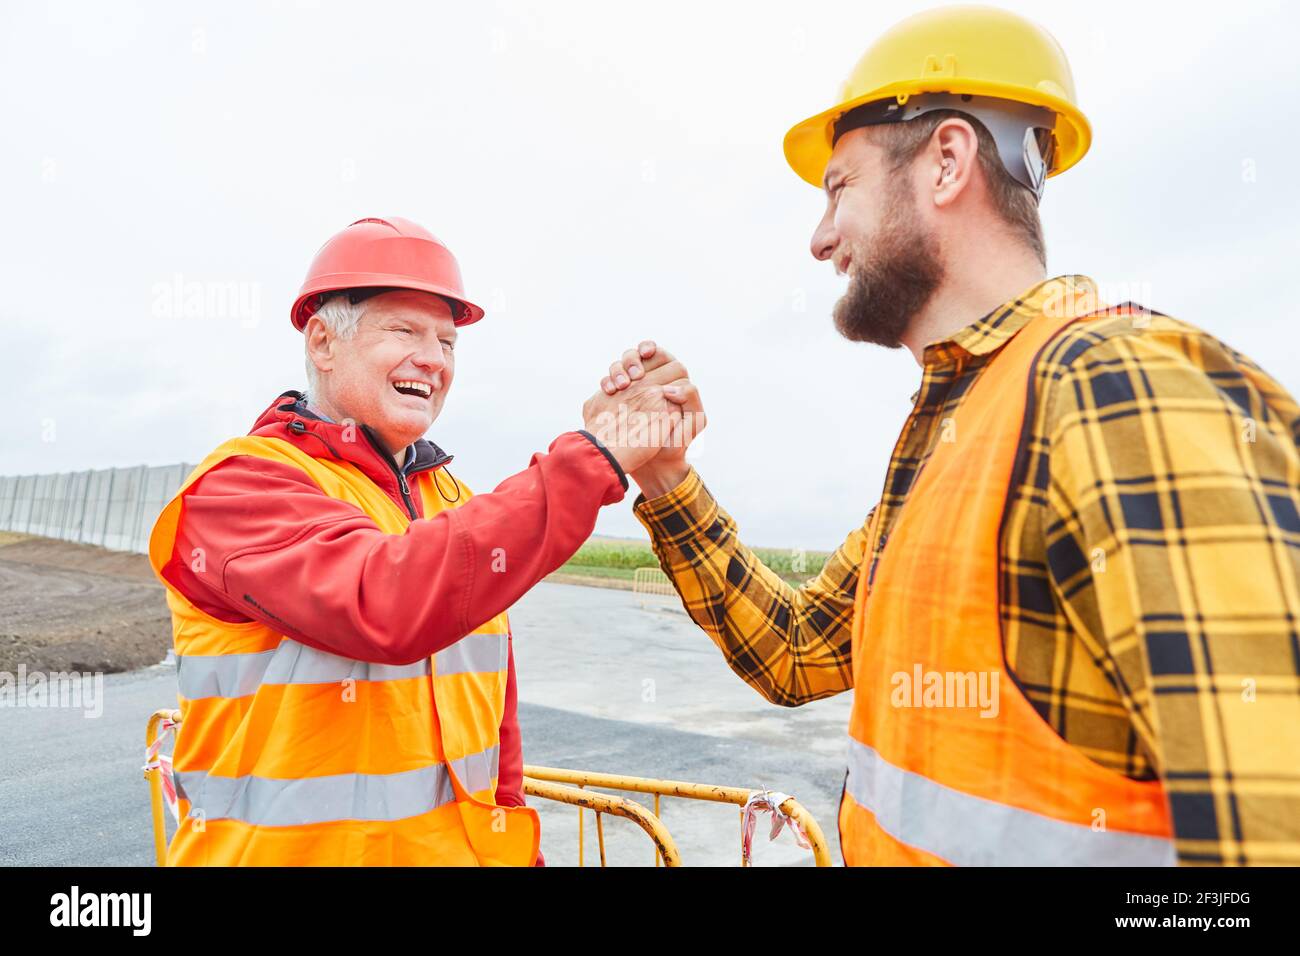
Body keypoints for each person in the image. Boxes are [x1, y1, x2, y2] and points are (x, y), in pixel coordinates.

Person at [602, 7, 1300, 865]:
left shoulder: (1112, 387)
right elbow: (795, 651)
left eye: (840, 188)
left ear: (947, 161)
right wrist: (668, 476)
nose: (819, 239)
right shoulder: (955, 430)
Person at [147, 215, 685, 865]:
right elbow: (383, 599)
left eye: (448, 342)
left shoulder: (452, 500)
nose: (432, 359)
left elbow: (494, 731)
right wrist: (595, 457)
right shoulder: (240, 489)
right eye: (404, 330)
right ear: (322, 341)